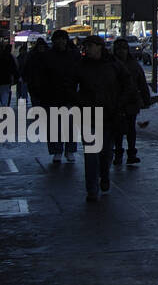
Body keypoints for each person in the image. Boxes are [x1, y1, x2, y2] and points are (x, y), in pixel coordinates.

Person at [75, 36, 122, 202]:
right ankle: (92, 189)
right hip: (88, 115)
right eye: (85, 46)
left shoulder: (113, 65)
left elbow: (127, 84)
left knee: (106, 152)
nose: (86, 49)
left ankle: (104, 175)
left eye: (90, 46)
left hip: (109, 114)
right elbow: (71, 86)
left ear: (99, 47)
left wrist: (122, 104)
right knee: (91, 154)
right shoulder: (81, 66)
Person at [29, 29, 81, 163]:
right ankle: (58, 151)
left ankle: (68, 150)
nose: (61, 41)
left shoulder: (73, 55)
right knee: (54, 126)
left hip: (68, 95)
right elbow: (39, 76)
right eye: (58, 39)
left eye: (63, 39)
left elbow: (79, 74)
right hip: (51, 95)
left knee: (69, 125)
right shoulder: (47, 56)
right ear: (54, 41)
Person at [109, 38, 151, 166]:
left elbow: (142, 82)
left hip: (131, 101)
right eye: (119, 49)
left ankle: (131, 153)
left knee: (131, 129)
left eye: (124, 49)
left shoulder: (133, 64)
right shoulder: (111, 64)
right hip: (116, 101)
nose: (122, 52)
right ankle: (119, 153)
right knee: (118, 130)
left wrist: (145, 98)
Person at [0, 40, 14, 108]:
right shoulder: (8, 56)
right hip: (6, 79)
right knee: (5, 96)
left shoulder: (7, 56)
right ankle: (4, 109)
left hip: (5, 79)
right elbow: (13, 67)